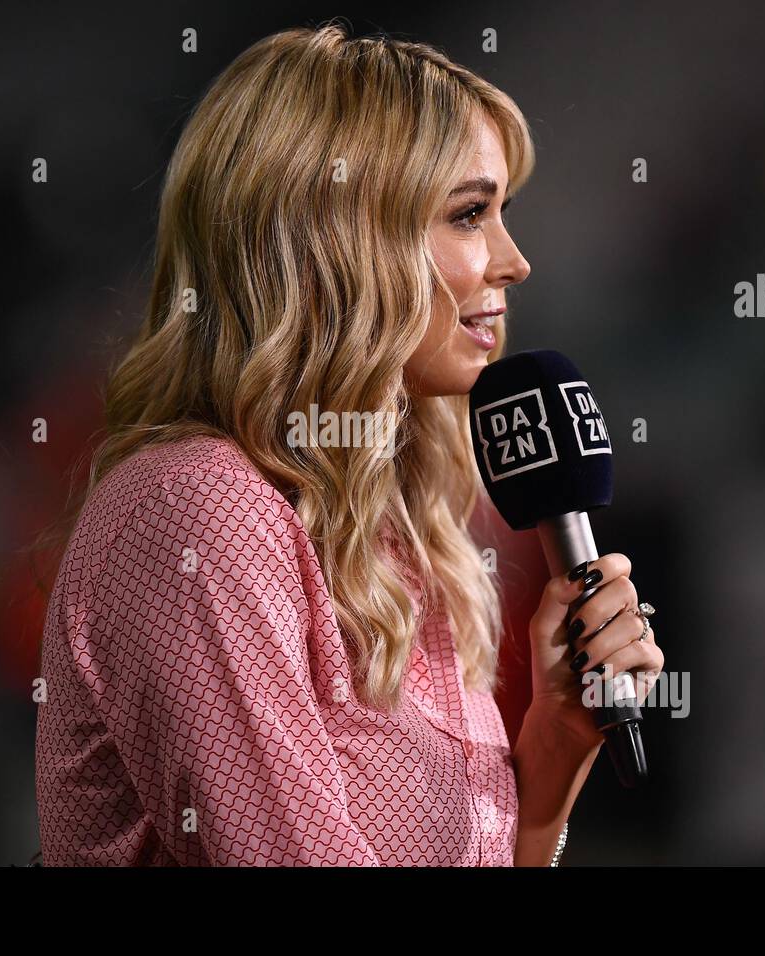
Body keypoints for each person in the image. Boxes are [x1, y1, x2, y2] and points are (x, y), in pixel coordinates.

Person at [33, 22, 664, 866]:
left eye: (501, 213)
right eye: (470, 214)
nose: (515, 262)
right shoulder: (197, 509)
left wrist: (551, 745)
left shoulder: (403, 533)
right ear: (339, 240)